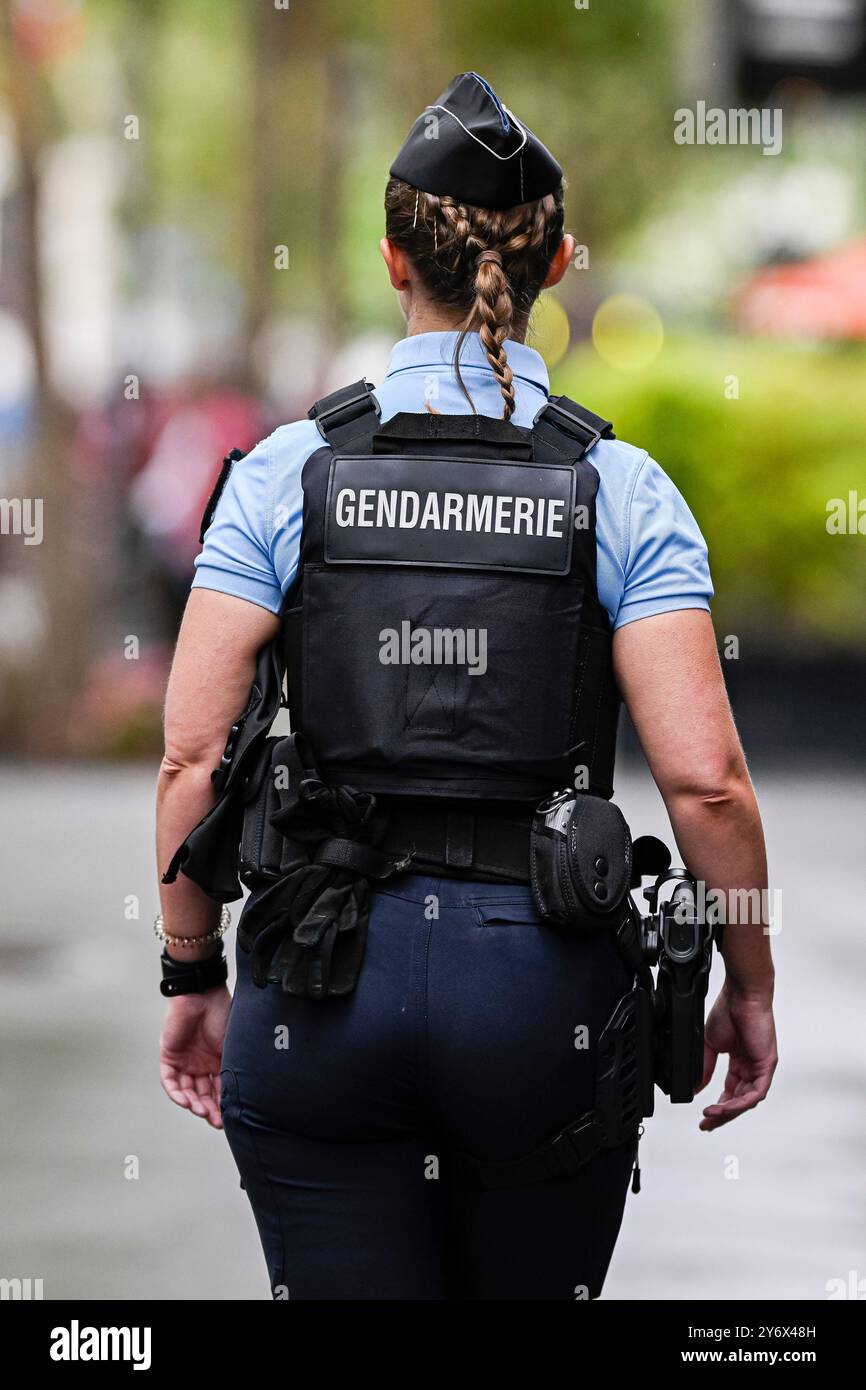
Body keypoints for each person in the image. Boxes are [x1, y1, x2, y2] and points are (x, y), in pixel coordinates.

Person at [155, 72, 777, 1301]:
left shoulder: (288, 472)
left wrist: (191, 972)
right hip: (540, 997)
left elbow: (190, 754)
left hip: (319, 985)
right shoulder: (622, 489)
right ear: (550, 264)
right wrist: (748, 981)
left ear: (393, 259)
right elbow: (704, 781)